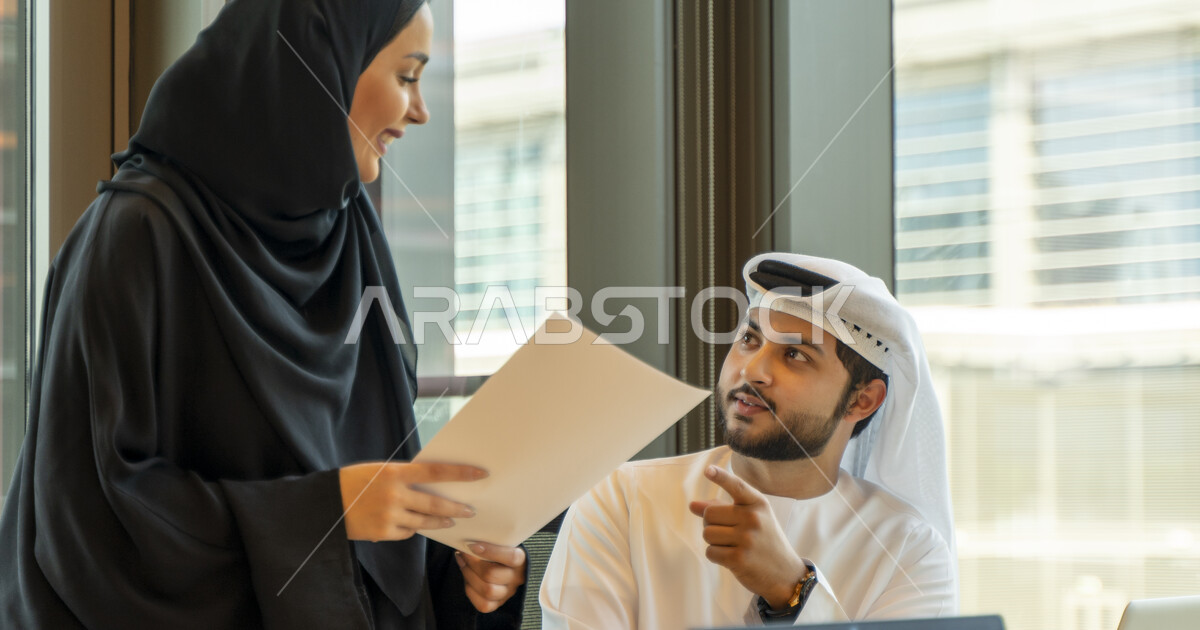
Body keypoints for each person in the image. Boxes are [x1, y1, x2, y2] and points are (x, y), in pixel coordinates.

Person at [0, 1, 526, 627]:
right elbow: (91, 525)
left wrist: (466, 574)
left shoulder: (350, 235)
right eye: (407, 76)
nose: (420, 110)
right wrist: (326, 513)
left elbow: (377, 488)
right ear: (322, 70)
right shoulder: (137, 235)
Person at [540, 252, 959, 628]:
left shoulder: (910, 550)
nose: (753, 370)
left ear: (862, 400)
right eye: (749, 340)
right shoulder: (619, 499)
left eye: (795, 355)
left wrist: (792, 589)